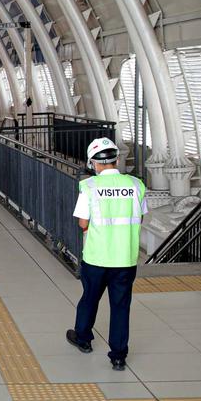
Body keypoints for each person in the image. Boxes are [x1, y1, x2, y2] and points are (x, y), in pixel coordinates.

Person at [66, 137, 147, 371]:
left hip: (96, 257)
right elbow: (140, 217)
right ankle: (119, 356)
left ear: (93, 163)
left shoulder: (89, 187)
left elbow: (83, 224)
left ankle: (83, 338)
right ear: (117, 159)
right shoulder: (135, 184)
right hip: (125, 258)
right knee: (121, 306)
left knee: (90, 298)